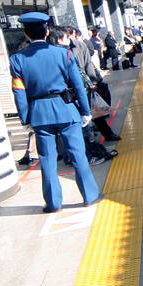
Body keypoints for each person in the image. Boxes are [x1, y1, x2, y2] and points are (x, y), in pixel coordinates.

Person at [10, 12, 100, 212]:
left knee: (48, 160)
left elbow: (18, 92)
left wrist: (25, 118)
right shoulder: (64, 54)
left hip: (39, 115)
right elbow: (77, 86)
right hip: (66, 111)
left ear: (26, 34)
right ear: (47, 30)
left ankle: (53, 203)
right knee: (78, 156)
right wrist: (85, 111)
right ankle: (90, 196)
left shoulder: (17, 60)